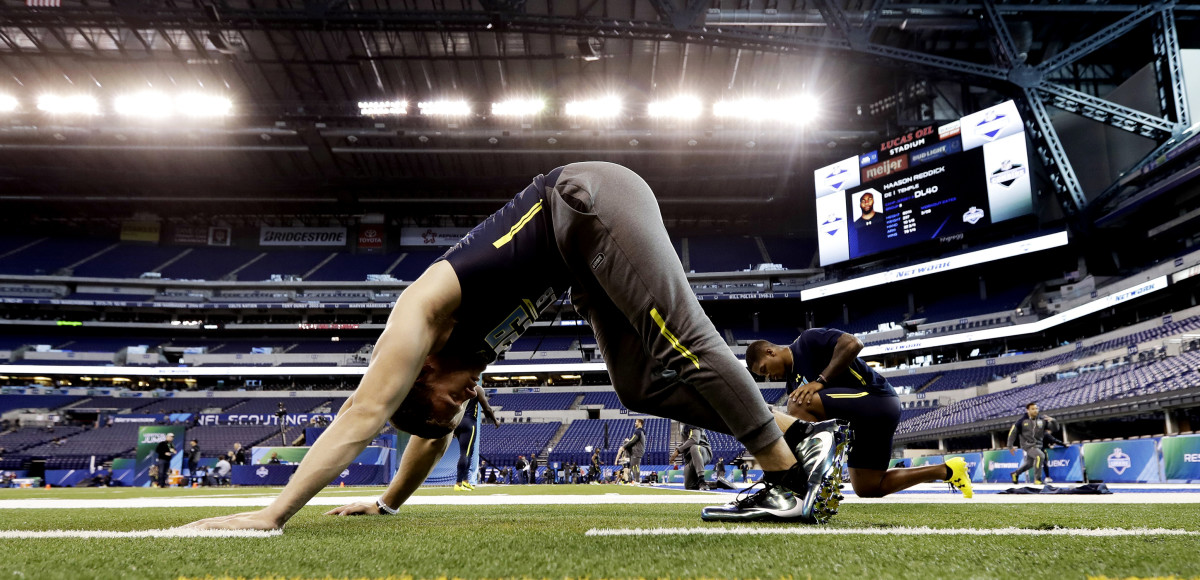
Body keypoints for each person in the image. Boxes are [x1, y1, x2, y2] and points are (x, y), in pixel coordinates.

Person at [183, 162, 846, 532]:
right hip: (578, 263)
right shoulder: (454, 368)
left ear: (422, 372)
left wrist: (273, 512)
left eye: (449, 400)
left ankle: (786, 479)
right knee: (637, 387)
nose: (468, 400)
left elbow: (366, 411)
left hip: (586, 205)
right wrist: (387, 500)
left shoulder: (420, 310)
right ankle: (796, 432)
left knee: (681, 341)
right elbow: (431, 433)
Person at [746, 329, 973, 499]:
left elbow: (853, 343)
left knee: (797, 402)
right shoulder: (792, 383)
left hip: (877, 400)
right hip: (864, 423)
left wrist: (820, 382)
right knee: (868, 487)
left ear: (770, 351)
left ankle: (814, 481)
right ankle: (949, 470)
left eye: (765, 369)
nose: (769, 377)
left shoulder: (806, 341)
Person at [1008, 402, 1058, 485]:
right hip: (1027, 445)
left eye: (1036, 408)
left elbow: (1055, 429)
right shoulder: (1021, 421)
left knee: (1029, 464)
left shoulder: (1042, 420)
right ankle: (1037, 480)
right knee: (1040, 456)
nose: (1035, 410)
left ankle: (1015, 474)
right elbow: (1012, 433)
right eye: (1033, 409)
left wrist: (1053, 421)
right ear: (1028, 410)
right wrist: (1010, 446)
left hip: (1038, 445)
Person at [669, 424, 712, 490]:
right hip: (692, 458)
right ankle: (718, 484)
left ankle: (702, 480)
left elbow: (695, 440)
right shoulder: (684, 427)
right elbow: (686, 443)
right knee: (689, 486)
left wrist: (678, 451)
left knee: (694, 447)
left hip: (703, 451)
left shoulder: (692, 423)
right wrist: (678, 449)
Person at [614, 419, 646, 485]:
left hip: (637, 451)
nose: (635, 423)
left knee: (635, 466)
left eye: (636, 422)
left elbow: (632, 440)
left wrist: (624, 446)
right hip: (638, 451)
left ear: (640, 423)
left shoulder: (638, 431)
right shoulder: (641, 432)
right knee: (634, 466)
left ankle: (636, 481)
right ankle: (636, 480)